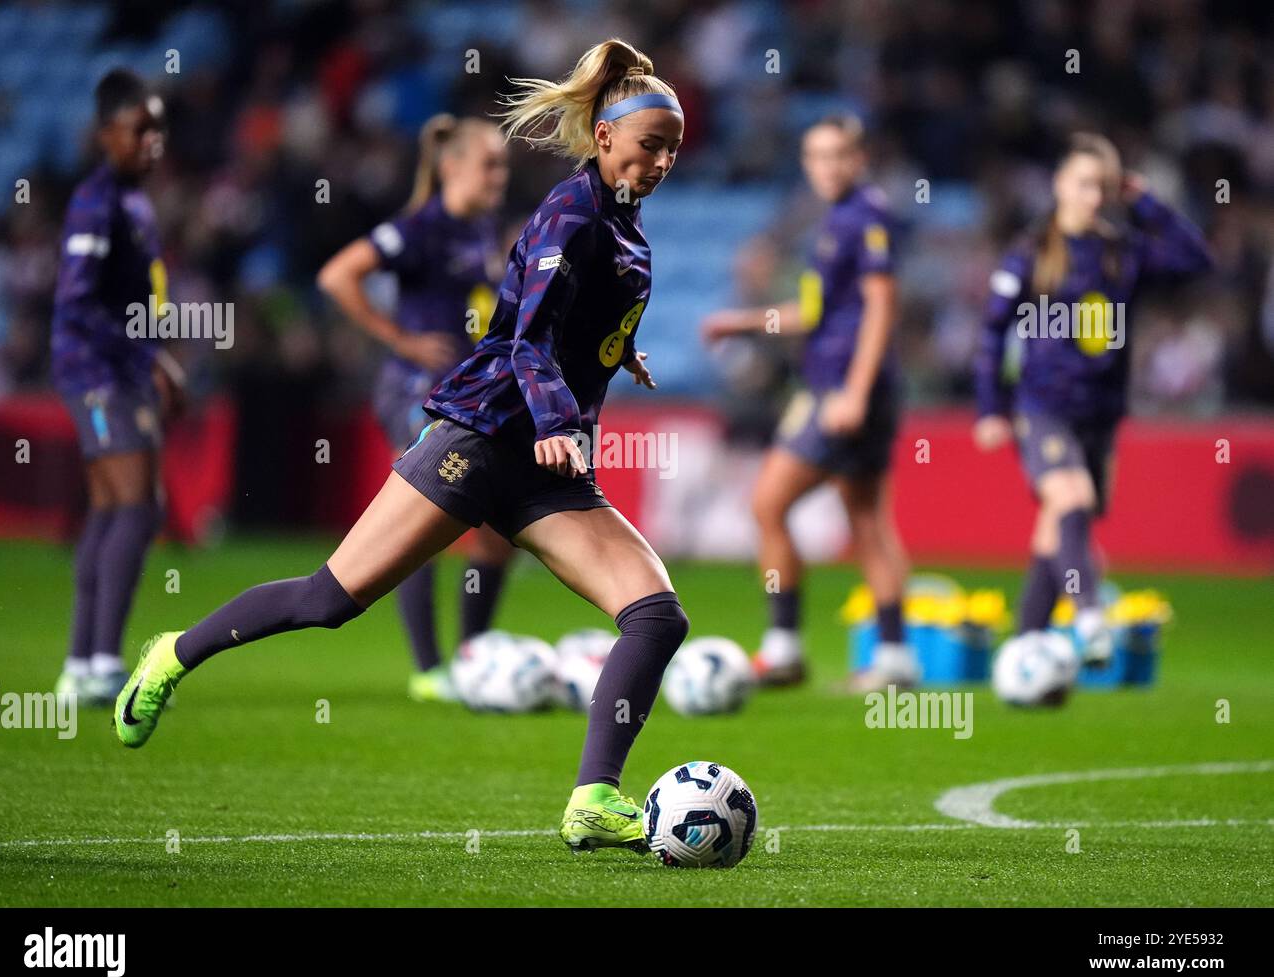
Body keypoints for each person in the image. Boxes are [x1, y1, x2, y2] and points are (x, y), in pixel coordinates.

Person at [115, 39, 687, 855]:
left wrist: (613, 351)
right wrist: (561, 419)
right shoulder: (572, 210)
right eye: (648, 143)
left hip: (542, 467)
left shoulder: (629, 234)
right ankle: (174, 651)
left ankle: (594, 796)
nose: (662, 159)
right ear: (603, 137)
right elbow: (525, 341)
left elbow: (566, 321)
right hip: (485, 434)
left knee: (656, 613)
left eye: (672, 146)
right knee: (328, 601)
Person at [974, 133, 1212, 659]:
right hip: (1042, 408)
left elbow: (1197, 261)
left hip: (1101, 414)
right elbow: (991, 334)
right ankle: (1088, 617)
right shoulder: (1031, 253)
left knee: (1058, 528)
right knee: (1071, 500)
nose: (1093, 196)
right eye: (1083, 184)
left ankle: (1025, 646)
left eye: (1103, 186)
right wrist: (991, 408)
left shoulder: (1122, 252)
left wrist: (1147, 201)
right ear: (1059, 184)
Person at [703, 116, 915, 691]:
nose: (827, 167)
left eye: (838, 155)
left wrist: (855, 391)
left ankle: (784, 645)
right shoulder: (833, 223)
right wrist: (744, 322)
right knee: (867, 521)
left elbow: (881, 305)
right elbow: (815, 313)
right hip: (839, 391)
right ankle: (894, 658)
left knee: (768, 504)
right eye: (816, 156)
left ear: (859, 158)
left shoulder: (867, 217)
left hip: (845, 393)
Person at [318, 113, 513, 702]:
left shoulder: (481, 229)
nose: (500, 175)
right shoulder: (420, 228)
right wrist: (398, 338)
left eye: (503, 164)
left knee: (495, 533)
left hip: (468, 396)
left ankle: (473, 659)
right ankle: (430, 668)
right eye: (490, 164)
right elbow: (337, 275)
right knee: (425, 520)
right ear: (451, 166)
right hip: (415, 392)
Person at [52, 69, 184, 706]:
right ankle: (102, 660)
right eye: (140, 129)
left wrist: (154, 357)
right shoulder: (97, 200)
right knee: (135, 506)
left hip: (121, 367)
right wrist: (147, 356)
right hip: (95, 371)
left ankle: (84, 661)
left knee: (115, 509)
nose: (152, 141)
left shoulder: (132, 199)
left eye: (158, 129)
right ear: (107, 133)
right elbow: (77, 299)